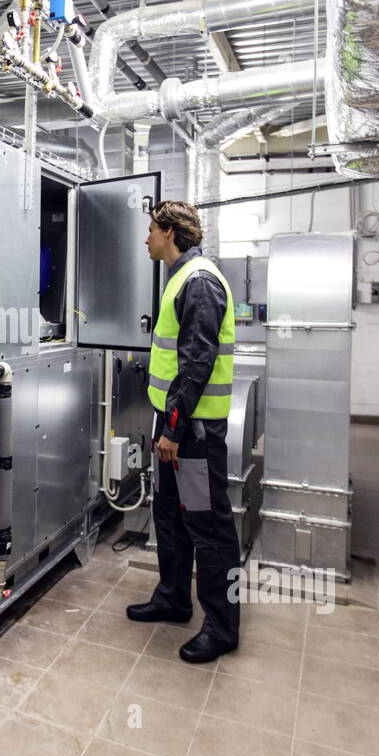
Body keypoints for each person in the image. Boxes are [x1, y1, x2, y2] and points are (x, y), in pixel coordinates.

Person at [125, 200, 240, 663]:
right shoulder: (180, 278)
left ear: (170, 232)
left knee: (207, 527)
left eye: (152, 229)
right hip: (172, 424)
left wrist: (172, 428)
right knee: (170, 514)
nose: (147, 237)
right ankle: (173, 598)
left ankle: (222, 627)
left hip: (192, 432)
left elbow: (196, 364)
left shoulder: (199, 282)